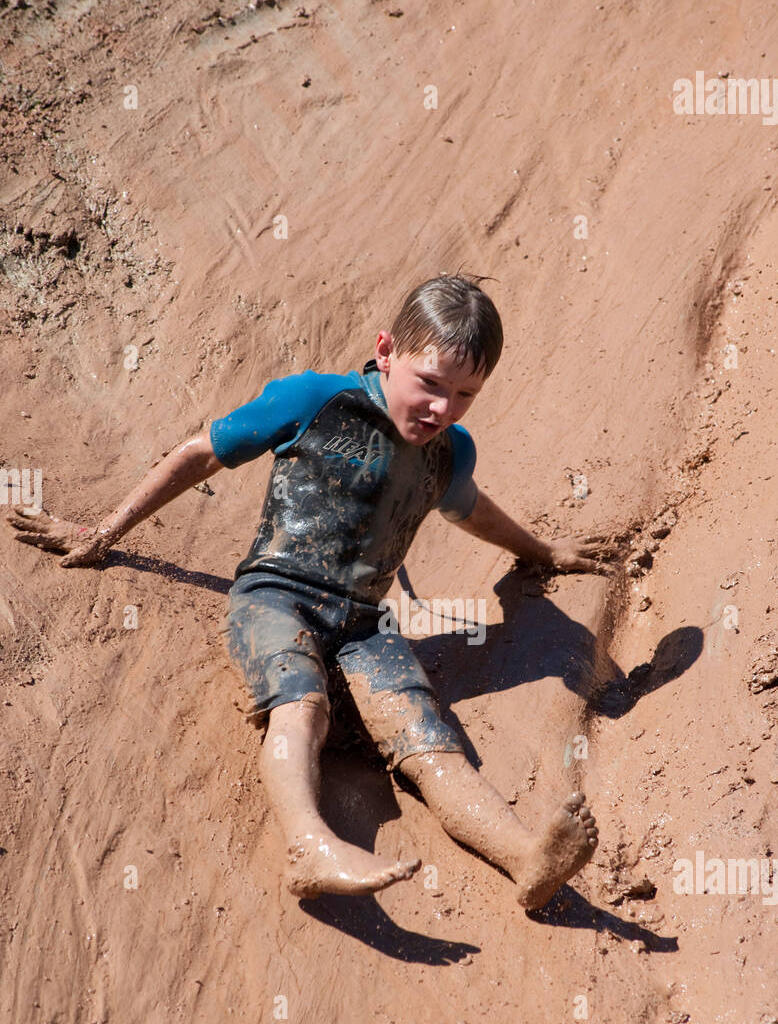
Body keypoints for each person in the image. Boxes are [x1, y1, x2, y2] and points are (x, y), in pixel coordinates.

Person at [8, 274, 614, 911]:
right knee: (302, 702)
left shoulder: (449, 452)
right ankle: (307, 845)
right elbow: (201, 453)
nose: (443, 409)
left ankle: (526, 860)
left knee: (431, 742)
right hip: (275, 597)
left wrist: (544, 553)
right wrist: (100, 532)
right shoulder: (314, 400)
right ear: (385, 351)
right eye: (431, 384)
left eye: (465, 395)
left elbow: (471, 511)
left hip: (363, 626)